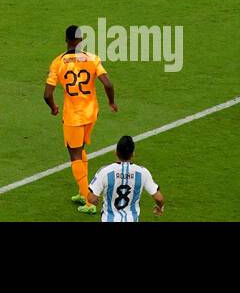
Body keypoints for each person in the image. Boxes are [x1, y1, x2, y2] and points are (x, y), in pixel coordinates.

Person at [45, 25, 117, 215]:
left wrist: (53, 107)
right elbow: (108, 83)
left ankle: (89, 200)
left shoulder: (58, 62)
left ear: (66, 40)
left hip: (73, 116)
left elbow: (47, 94)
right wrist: (111, 102)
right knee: (81, 149)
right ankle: (81, 191)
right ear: (81, 40)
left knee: (74, 154)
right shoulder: (92, 59)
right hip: (91, 113)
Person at [87, 135, 165, 222]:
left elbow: (91, 198)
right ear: (133, 154)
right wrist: (160, 207)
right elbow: (159, 198)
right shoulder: (143, 172)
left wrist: (94, 199)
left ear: (116, 152)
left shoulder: (105, 171)